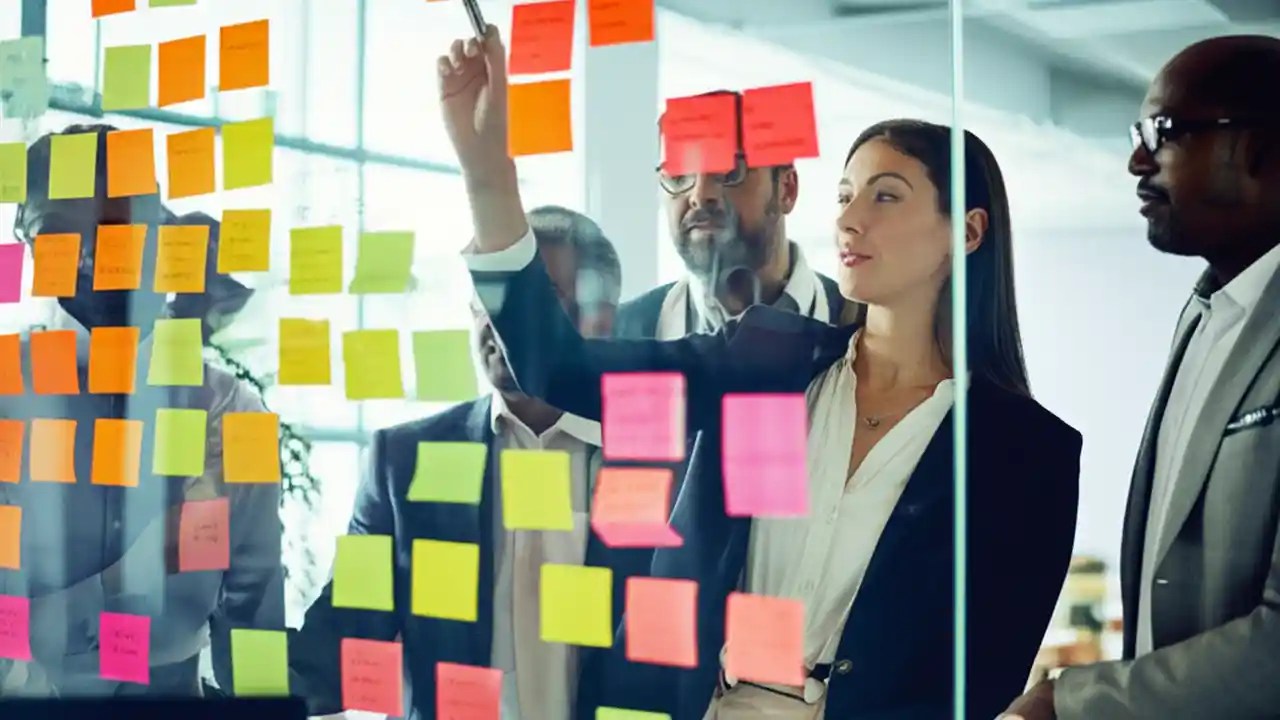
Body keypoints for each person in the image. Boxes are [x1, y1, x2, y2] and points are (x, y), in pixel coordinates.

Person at [439, 27, 1082, 720]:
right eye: (844, 196)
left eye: (885, 197)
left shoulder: (1027, 452)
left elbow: (979, 681)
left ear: (969, 232)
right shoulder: (769, 359)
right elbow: (555, 368)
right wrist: (487, 175)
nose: (849, 220)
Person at [1001, 35, 1280, 720]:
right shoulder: (1209, 308)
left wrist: (1068, 707)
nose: (1135, 160)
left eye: (1164, 132)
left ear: (1260, 146)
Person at [287, 207, 644, 720]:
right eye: (486, 298)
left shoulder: (656, 465)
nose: (498, 321)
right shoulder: (406, 463)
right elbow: (341, 639)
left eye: (530, 300)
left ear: (601, 317)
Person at [0, 124, 283, 696]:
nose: (82, 258)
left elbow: (254, 640)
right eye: (54, 233)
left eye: (109, 230)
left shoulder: (230, 413)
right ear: (26, 244)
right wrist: (129, 577)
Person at [614, 89, 854, 340]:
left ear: (786, 189)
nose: (699, 195)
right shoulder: (620, 335)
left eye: (729, 171)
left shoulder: (868, 329)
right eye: (678, 176)